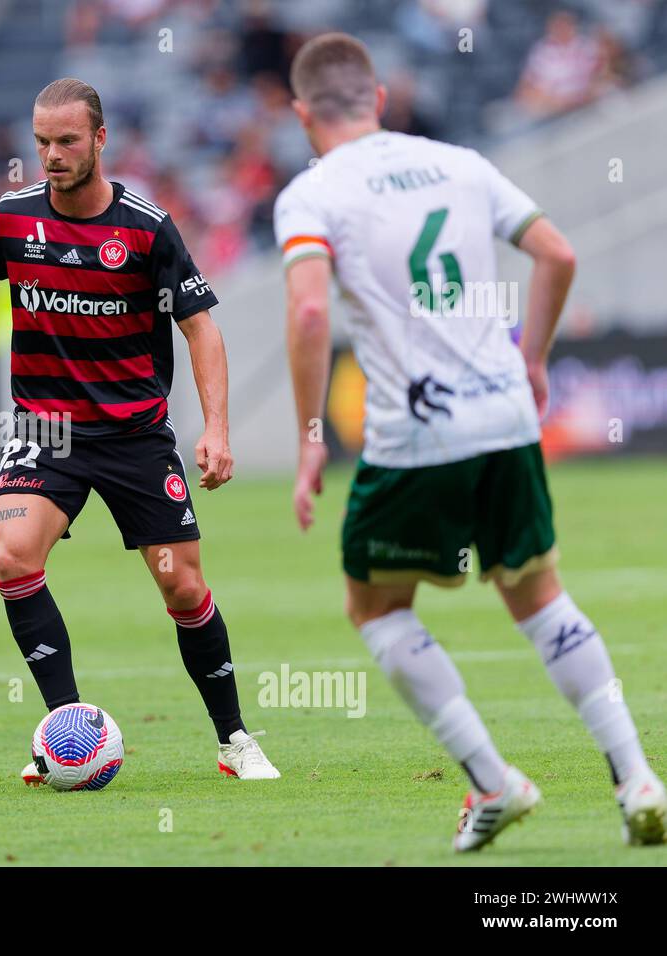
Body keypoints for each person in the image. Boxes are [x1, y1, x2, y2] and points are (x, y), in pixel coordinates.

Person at [277, 33, 664, 849]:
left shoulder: (312, 193)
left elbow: (310, 312)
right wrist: (532, 361)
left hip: (415, 433)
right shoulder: (459, 162)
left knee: (375, 607)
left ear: (303, 113)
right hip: (505, 418)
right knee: (539, 595)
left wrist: (311, 436)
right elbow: (557, 253)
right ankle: (636, 779)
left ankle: (494, 781)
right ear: (379, 99)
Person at [0, 78, 279, 784]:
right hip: (46, 431)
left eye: (67, 141)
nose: (52, 155)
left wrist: (219, 429)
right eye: (42, 142)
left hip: (135, 435)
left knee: (182, 588)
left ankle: (234, 739)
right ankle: (67, 735)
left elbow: (200, 328)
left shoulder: (146, 227)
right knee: (12, 555)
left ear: (100, 140)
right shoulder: (10, 220)